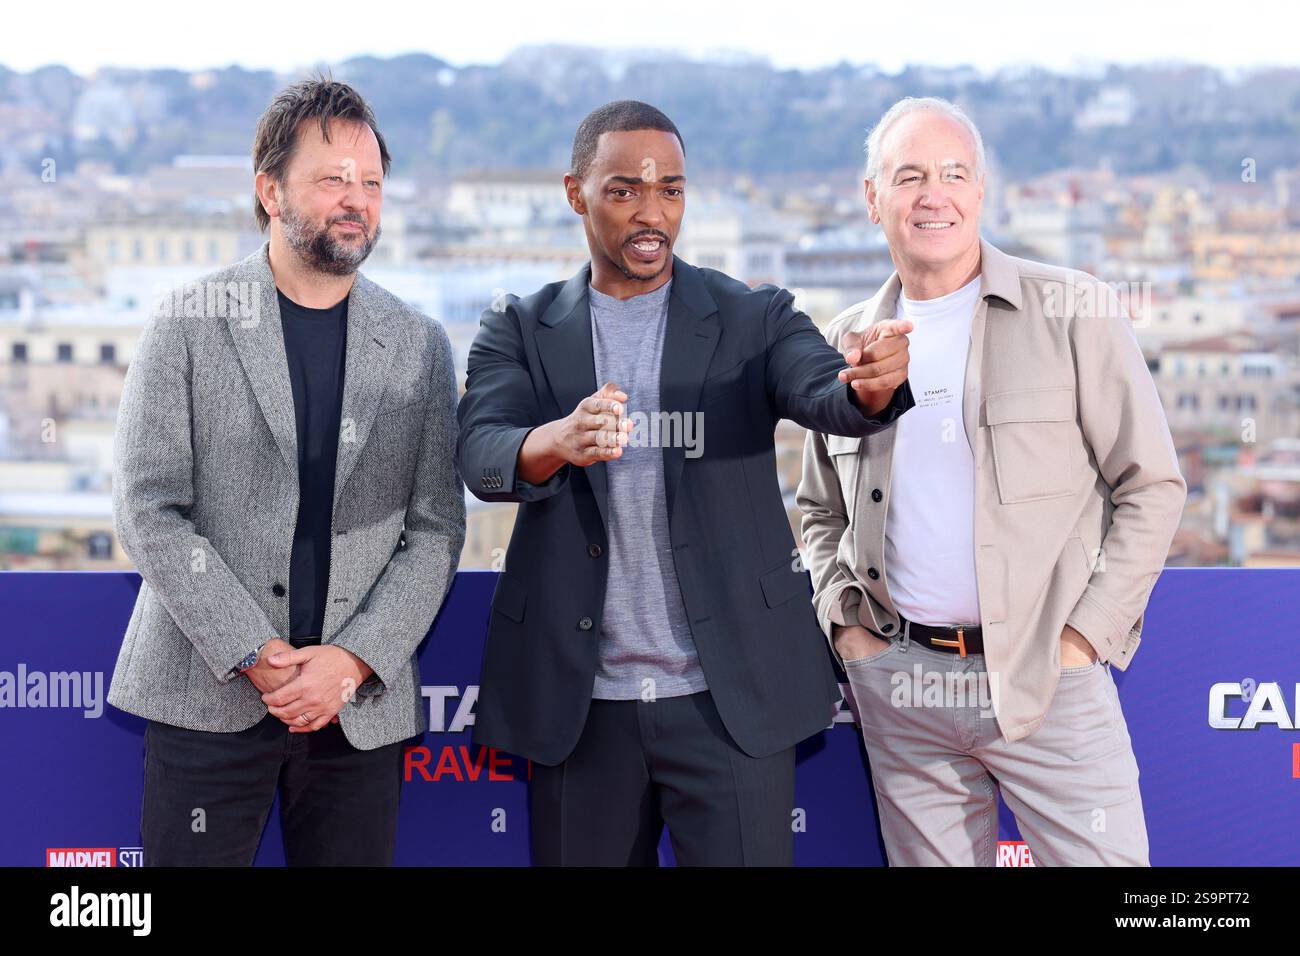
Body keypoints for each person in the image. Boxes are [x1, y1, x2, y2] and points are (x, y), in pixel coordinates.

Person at [458, 100, 914, 866]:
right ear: (575, 193)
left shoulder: (753, 316)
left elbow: (823, 391)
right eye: (626, 190)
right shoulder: (518, 326)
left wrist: (867, 388)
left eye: (670, 189)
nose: (653, 213)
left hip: (731, 703)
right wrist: (560, 440)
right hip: (581, 712)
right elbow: (482, 452)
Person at [797, 96, 1186, 866]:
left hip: (1050, 682)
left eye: (953, 174)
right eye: (908, 176)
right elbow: (818, 508)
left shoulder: (1072, 310)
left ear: (980, 191)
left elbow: (1152, 485)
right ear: (872, 198)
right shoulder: (842, 342)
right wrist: (852, 632)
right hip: (903, 690)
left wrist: (1083, 639)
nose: (931, 194)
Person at [108, 77, 465, 866]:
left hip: (355, 711)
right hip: (208, 696)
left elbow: (436, 530)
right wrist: (259, 657)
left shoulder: (418, 344)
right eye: (333, 178)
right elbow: (147, 509)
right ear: (270, 189)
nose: (357, 199)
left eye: (371, 182)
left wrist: (351, 660)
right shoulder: (187, 323)